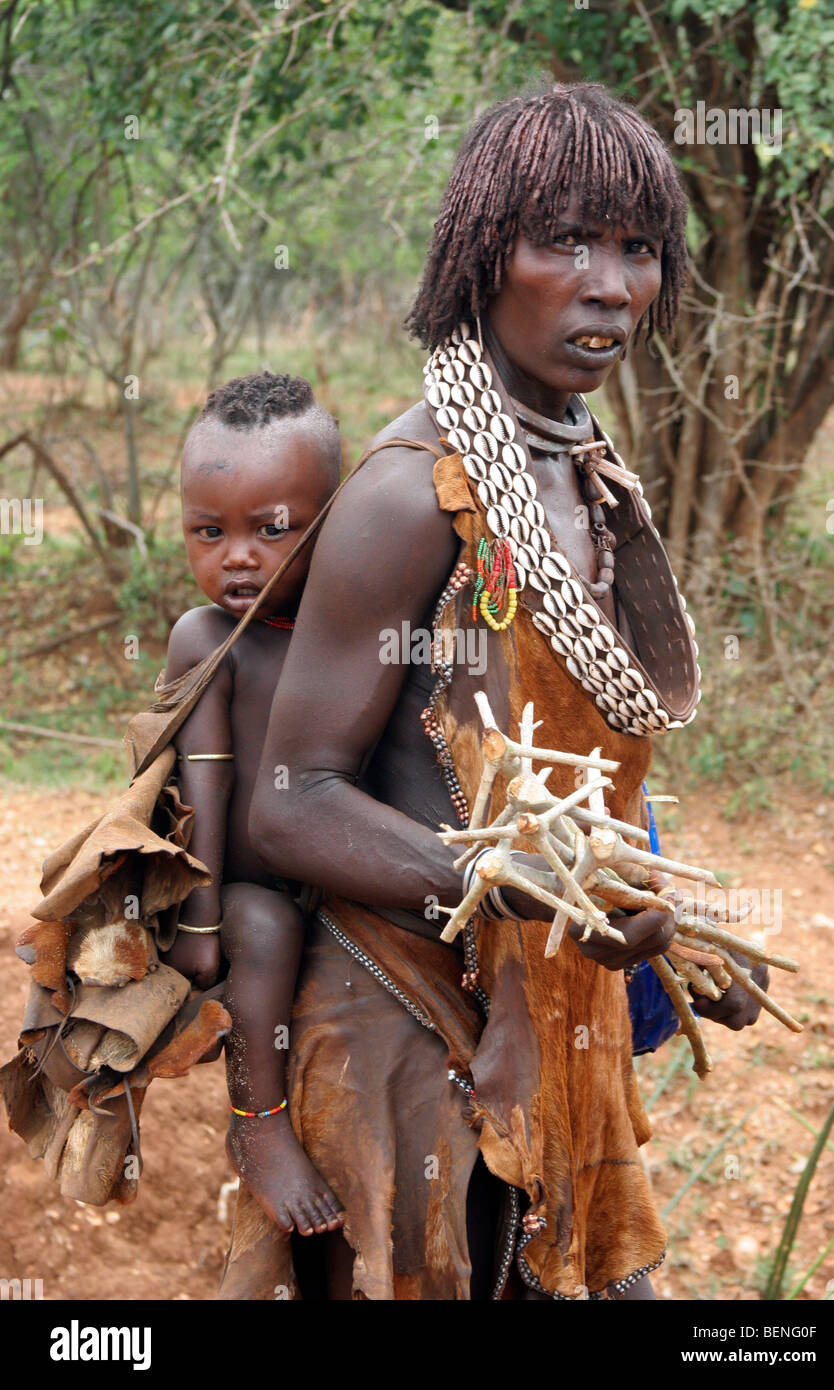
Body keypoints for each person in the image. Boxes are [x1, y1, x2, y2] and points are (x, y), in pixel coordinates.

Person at [222, 83, 767, 1302]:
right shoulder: (412, 494)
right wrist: (510, 885)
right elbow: (292, 799)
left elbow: (576, 772)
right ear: (482, 255)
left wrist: (673, 930)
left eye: (635, 249)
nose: (608, 284)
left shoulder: (586, 473)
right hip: (410, 1040)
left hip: (557, 1010)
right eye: (562, 241)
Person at [161, 370, 346, 1239]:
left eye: (273, 530)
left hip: (330, 881)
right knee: (265, 929)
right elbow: (203, 786)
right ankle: (258, 1129)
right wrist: (200, 926)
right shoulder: (205, 640)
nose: (236, 556)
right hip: (227, 889)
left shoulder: (347, 632)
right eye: (210, 531)